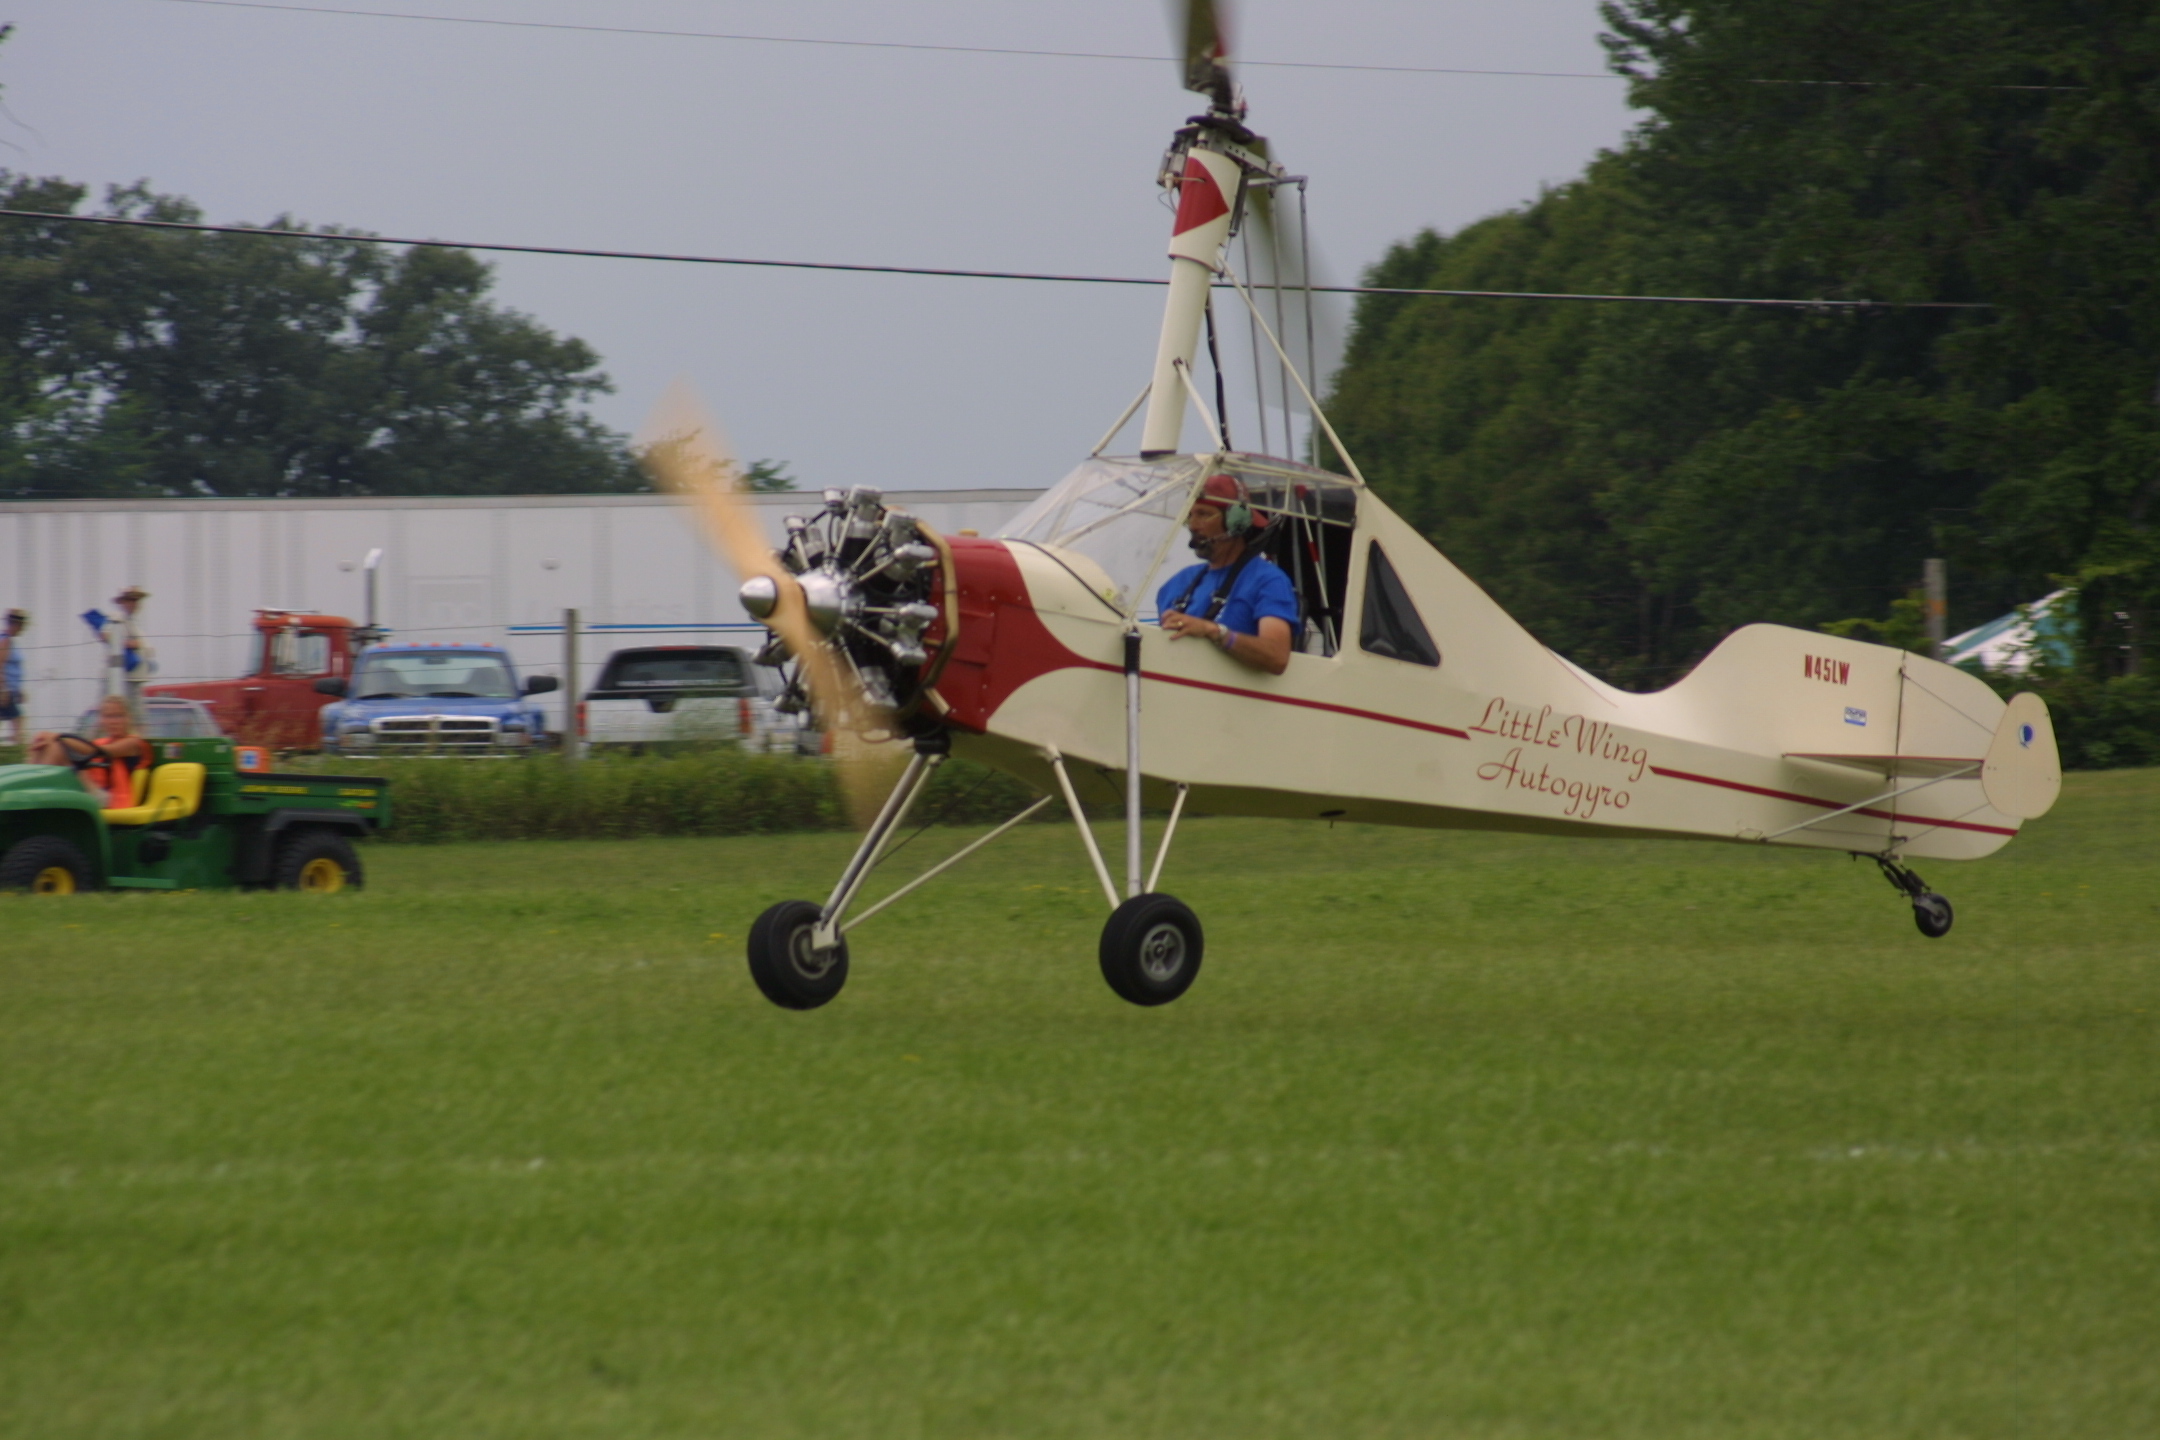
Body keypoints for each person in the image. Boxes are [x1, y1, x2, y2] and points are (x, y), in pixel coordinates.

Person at [1156, 473, 1300, 675]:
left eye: (1204, 514)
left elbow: (1277, 657)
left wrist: (1214, 632)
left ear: (1236, 521)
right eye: (1190, 515)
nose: (1194, 525)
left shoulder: (1268, 581)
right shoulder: (1176, 584)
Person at [29, 695, 152, 809]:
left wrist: (57, 736)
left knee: (57, 745)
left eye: (118, 716)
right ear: (101, 720)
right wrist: (45, 739)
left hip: (113, 798)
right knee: (48, 744)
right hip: (90, 791)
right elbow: (84, 748)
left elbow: (94, 751)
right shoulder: (101, 741)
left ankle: (34, 791)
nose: (113, 721)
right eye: (108, 716)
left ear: (128, 718)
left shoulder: (133, 743)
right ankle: (30, 783)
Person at [0, 608, 25, 746]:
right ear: (15, 625)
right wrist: (2, 690)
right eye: (21, 625)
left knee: (15, 719)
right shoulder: (5, 641)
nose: (22, 629)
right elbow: (0, 665)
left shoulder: (8, 640)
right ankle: (18, 751)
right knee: (18, 719)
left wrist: (19, 690)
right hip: (5, 690)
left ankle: (13, 749)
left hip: (10, 690)